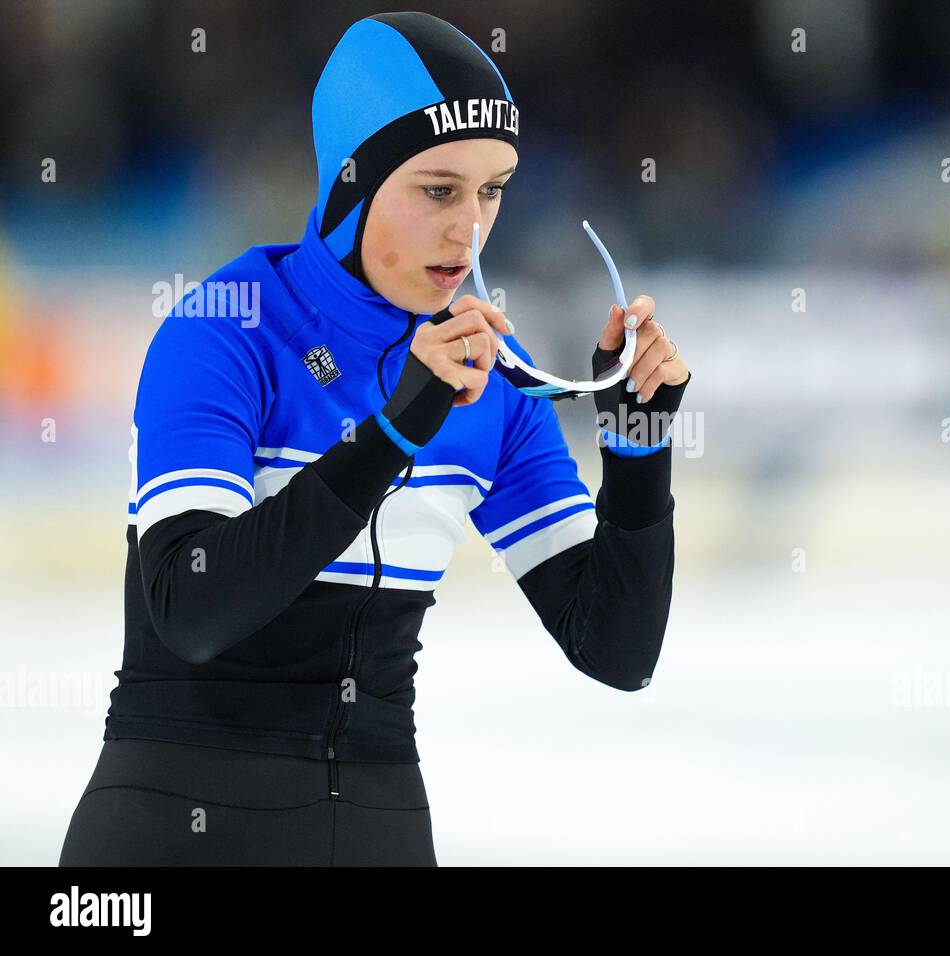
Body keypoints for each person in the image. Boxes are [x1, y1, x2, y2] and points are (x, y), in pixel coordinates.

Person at [58, 11, 690, 867]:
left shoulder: (493, 374)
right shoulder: (229, 324)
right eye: (439, 189)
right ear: (353, 186)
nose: (470, 229)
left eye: (493, 189)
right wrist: (395, 428)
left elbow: (616, 653)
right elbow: (191, 611)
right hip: (178, 829)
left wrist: (638, 448)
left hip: (377, 827)